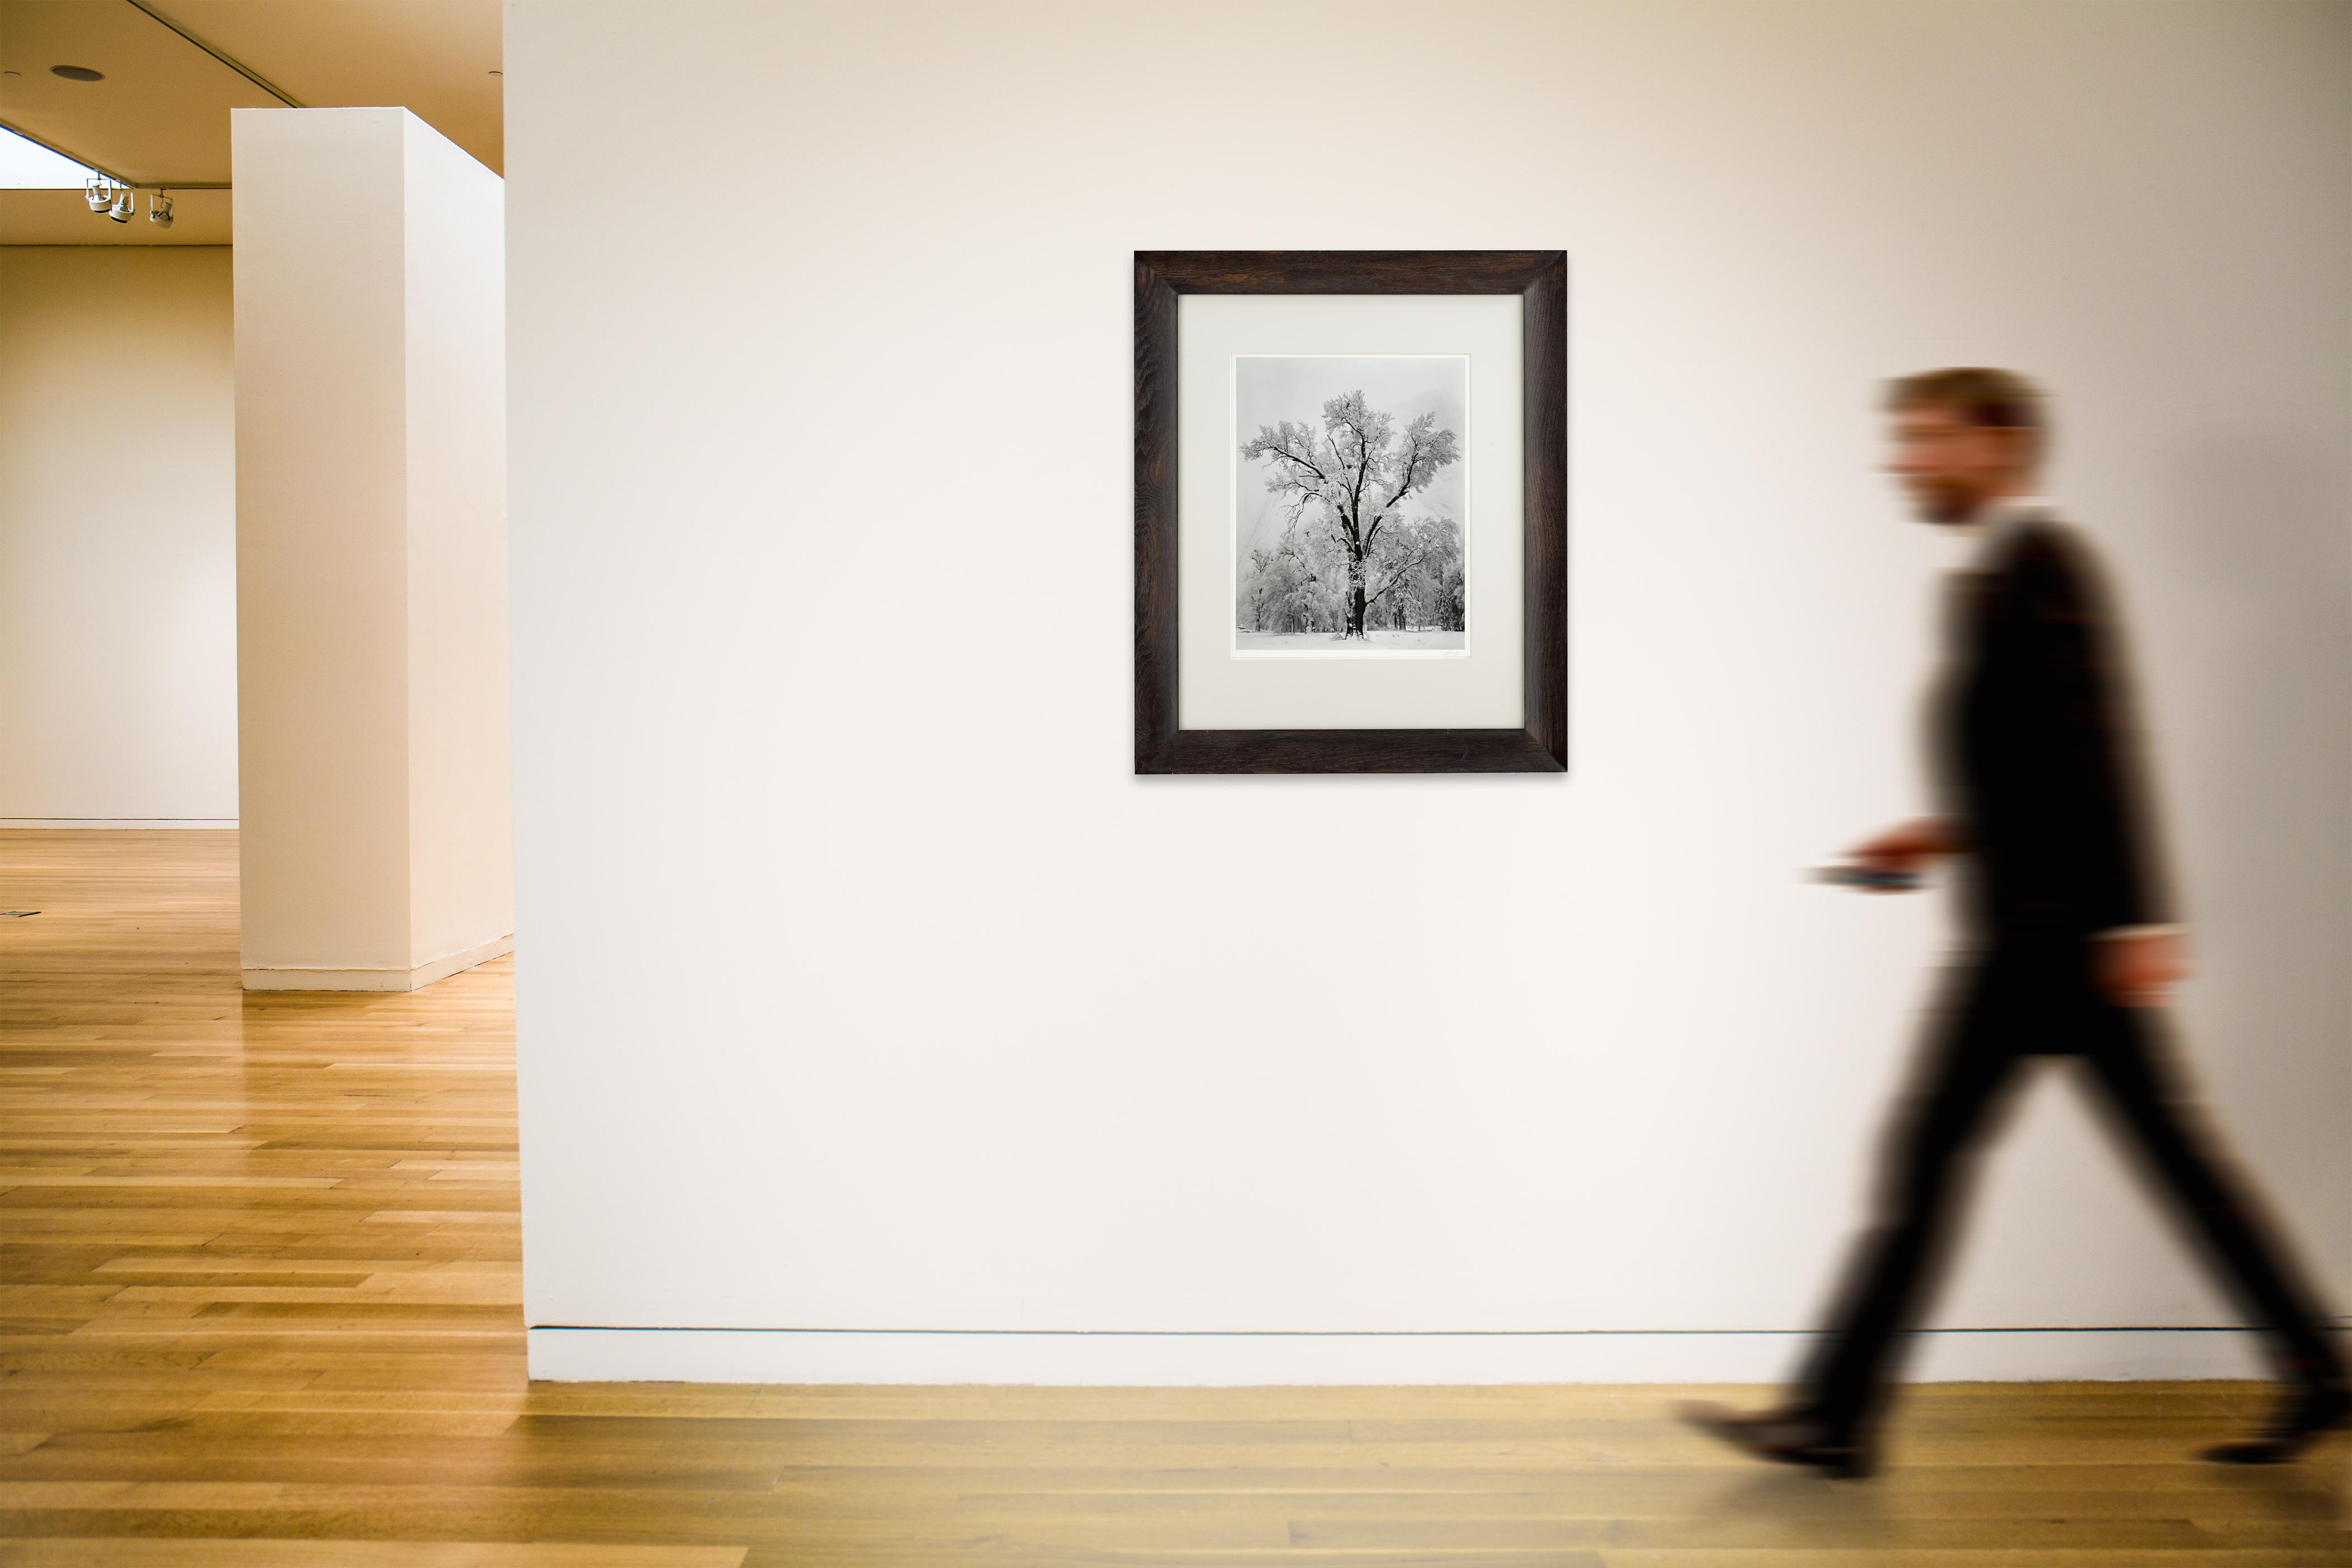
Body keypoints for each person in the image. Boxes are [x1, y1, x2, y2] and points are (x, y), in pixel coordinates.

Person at [1683, 368, 2349, 1479]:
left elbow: (2102, 750)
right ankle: (2319, 1371)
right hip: (2039, 932)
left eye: (1925, 440)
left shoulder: (2045, 567)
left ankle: (1834, 1414)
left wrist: (2140, 919)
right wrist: (1939, 838)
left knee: (1929, 1157)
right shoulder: (1990, 579)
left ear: (1997, 444)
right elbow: (2032, 772)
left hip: (2055, 945)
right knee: (2152, 1157)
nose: (1902, 461)